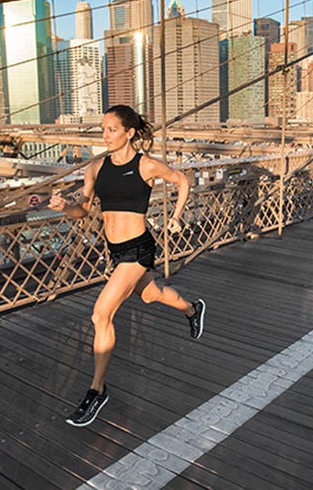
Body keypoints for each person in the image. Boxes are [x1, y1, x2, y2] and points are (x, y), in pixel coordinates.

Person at [49, 104, 206, 427]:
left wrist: (175, 218)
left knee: (100, 313)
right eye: (103, 130)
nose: (105, 135)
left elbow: (183, 181)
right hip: (115, 252)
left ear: (129, 132)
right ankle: (192, 309)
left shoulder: (146, 165)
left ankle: (97, 390)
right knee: (152, 295)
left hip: (139, 248)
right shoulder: (95, 168)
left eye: (112, 130)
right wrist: (66, 206)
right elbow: (84, 210)